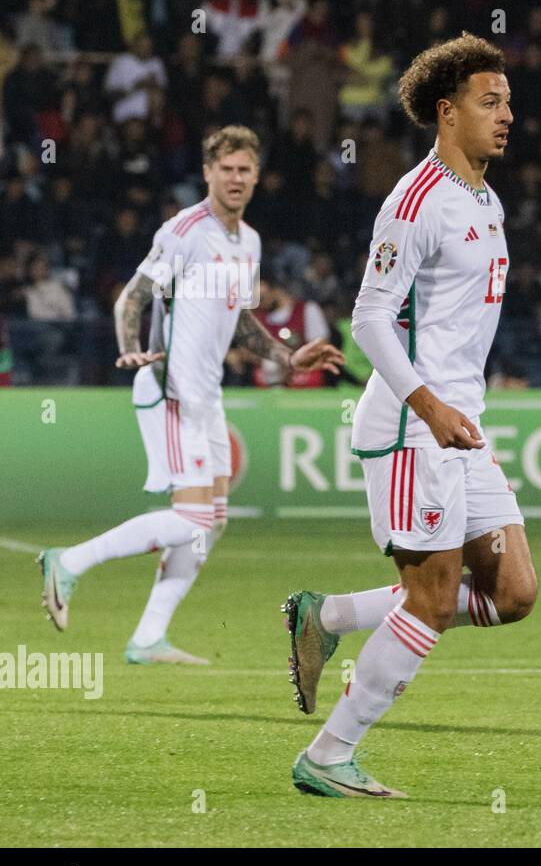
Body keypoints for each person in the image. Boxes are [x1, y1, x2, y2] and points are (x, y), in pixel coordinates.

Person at [281, 33, 537, 799]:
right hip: (409, 427)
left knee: (513, 592)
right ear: (445, 112)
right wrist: (428, 406)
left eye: (509, 102)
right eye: (490, 103)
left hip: (461, 428)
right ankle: (328, 755)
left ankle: (328, 614)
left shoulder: (484, 200)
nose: (507, 116)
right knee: (432, 594)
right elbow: (368, 319)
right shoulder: (413, 201)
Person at [36, 126, 342, 664]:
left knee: (212, 521)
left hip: (207, 395)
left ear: (256, 176)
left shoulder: (248, 241)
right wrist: (132, 348)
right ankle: (70, 560)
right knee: (193, 518)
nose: (236, 178)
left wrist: (287, 357)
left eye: (245, 169)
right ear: (207, 172)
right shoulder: (184, 229)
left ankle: (149, 637)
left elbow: (242, 319)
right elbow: (133, 297)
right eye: (226, 169)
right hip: (171, 387)